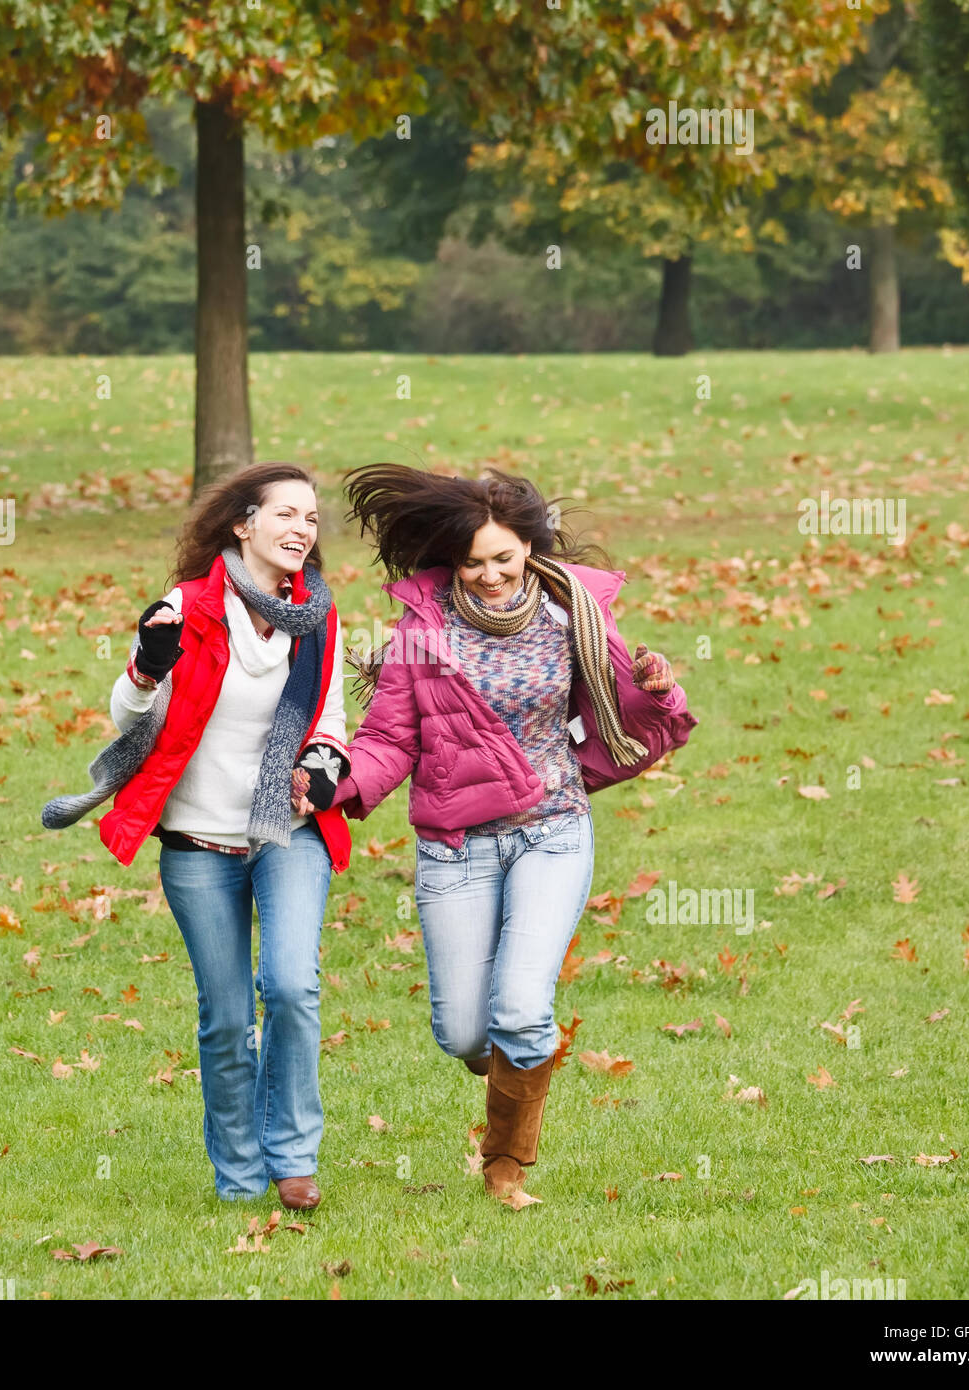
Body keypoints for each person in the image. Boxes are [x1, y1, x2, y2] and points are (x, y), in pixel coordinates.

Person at [332, 464, 696, 1198]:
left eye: (504, 557)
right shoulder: (423, 631)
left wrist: (662, 688)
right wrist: (338, 783)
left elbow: (632, 708)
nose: (491, 575)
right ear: (451, 561)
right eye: (473, 562)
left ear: (532, 547)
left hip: (552, 831)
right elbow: (389, 738)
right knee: (466, 1034)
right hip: (456, 846)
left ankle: (505, 1166)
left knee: (524, 1007)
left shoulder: (575, 617)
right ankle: (506, 1059)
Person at [99, 463, 352, 1209]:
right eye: (286, 514)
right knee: (229, 1019)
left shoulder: (321, 615)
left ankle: (294, 1158)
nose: (303, 529)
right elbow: (128, 718)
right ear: (243, 524)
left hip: (287, 833)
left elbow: (330, 721)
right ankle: (240, 1177)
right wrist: (148, 667)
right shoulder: (189, 608)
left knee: (293, 986)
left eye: (311, 518)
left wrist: (322, 768)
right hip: (199, 846)